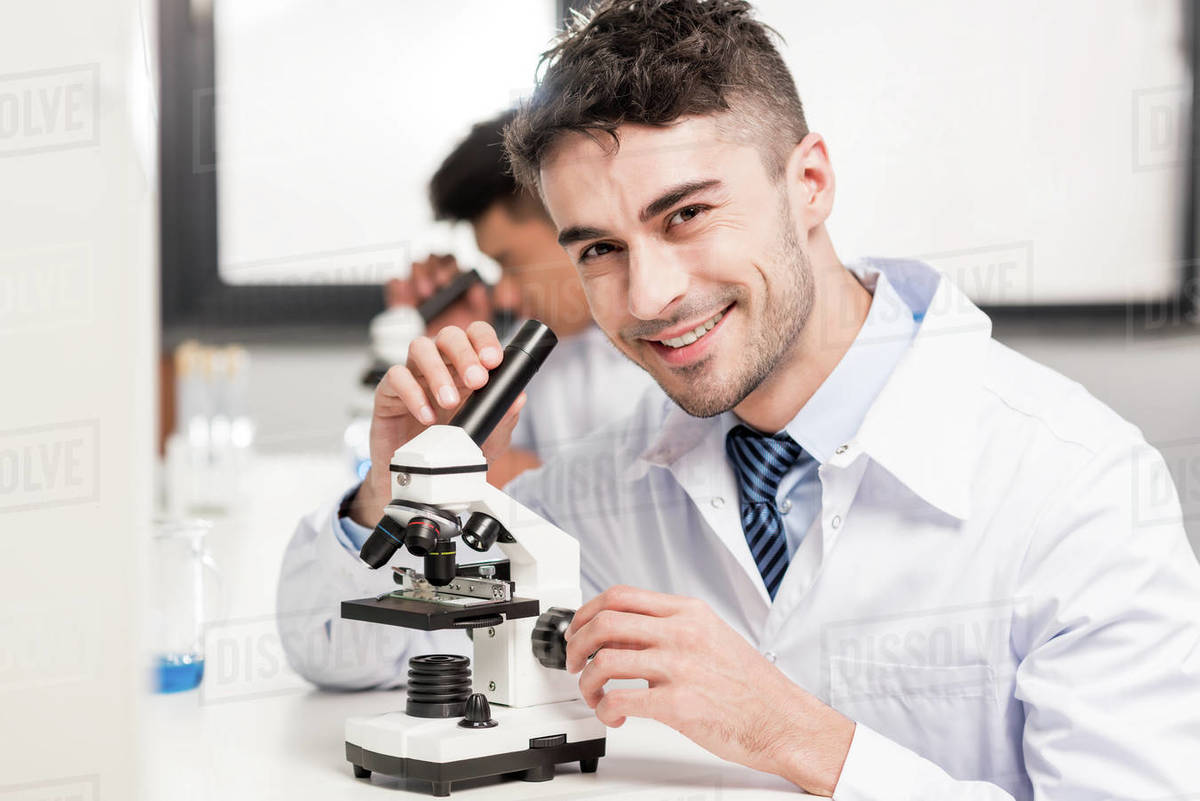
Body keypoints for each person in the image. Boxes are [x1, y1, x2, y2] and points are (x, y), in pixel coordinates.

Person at [278, 1, 1200, 797]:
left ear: (809, 183)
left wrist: (799, 737)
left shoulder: (1079, 488)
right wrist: (399, 491)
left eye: (686, 214)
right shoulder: (608, 481)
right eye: (598, 247)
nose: (647, 297)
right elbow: (335, 650)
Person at [387, 110, 652, 481]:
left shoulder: (682, 339)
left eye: (509, 262)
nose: (507, 295)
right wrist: (457, 376)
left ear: (567, 214)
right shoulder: (538, 350)